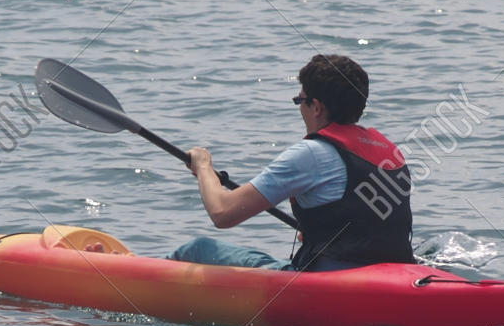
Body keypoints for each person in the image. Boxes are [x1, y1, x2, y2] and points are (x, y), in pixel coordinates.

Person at [168, 54, 415, 271]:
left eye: (300, 101)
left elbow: (223, 213)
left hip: (330, 280)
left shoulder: (311, 154)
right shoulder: (391, 154)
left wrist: (202, 167)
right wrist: (320, 232)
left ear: (316, 107)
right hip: (393, 273)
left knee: (196, 249)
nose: (300, 109)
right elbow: (368, 221)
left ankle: (133, 286)